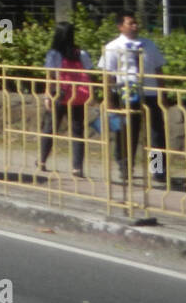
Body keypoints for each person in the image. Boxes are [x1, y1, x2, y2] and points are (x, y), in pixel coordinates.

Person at [100, 11, 167, 186]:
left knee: (156, 133)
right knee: (128, 132)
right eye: (130, 23)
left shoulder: (148, 44)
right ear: (120, 26)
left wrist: (162, 91)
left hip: (150, 92)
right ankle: (125, 166)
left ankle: (157, 170)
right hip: (127, 92)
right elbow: (108, 75)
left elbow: (159, 68)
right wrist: (109, 98)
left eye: (136, 23)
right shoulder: (113, 46)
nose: (135, 26)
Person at [39, 22, 92, 178]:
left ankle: (42, 160)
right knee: (77, 131)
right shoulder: (80, 53)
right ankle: (77, 167)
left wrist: (47, 95)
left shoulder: (54, 54)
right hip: (78, 95)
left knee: (50, 128)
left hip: (59, 95)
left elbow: (50, 76)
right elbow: (89, 73)